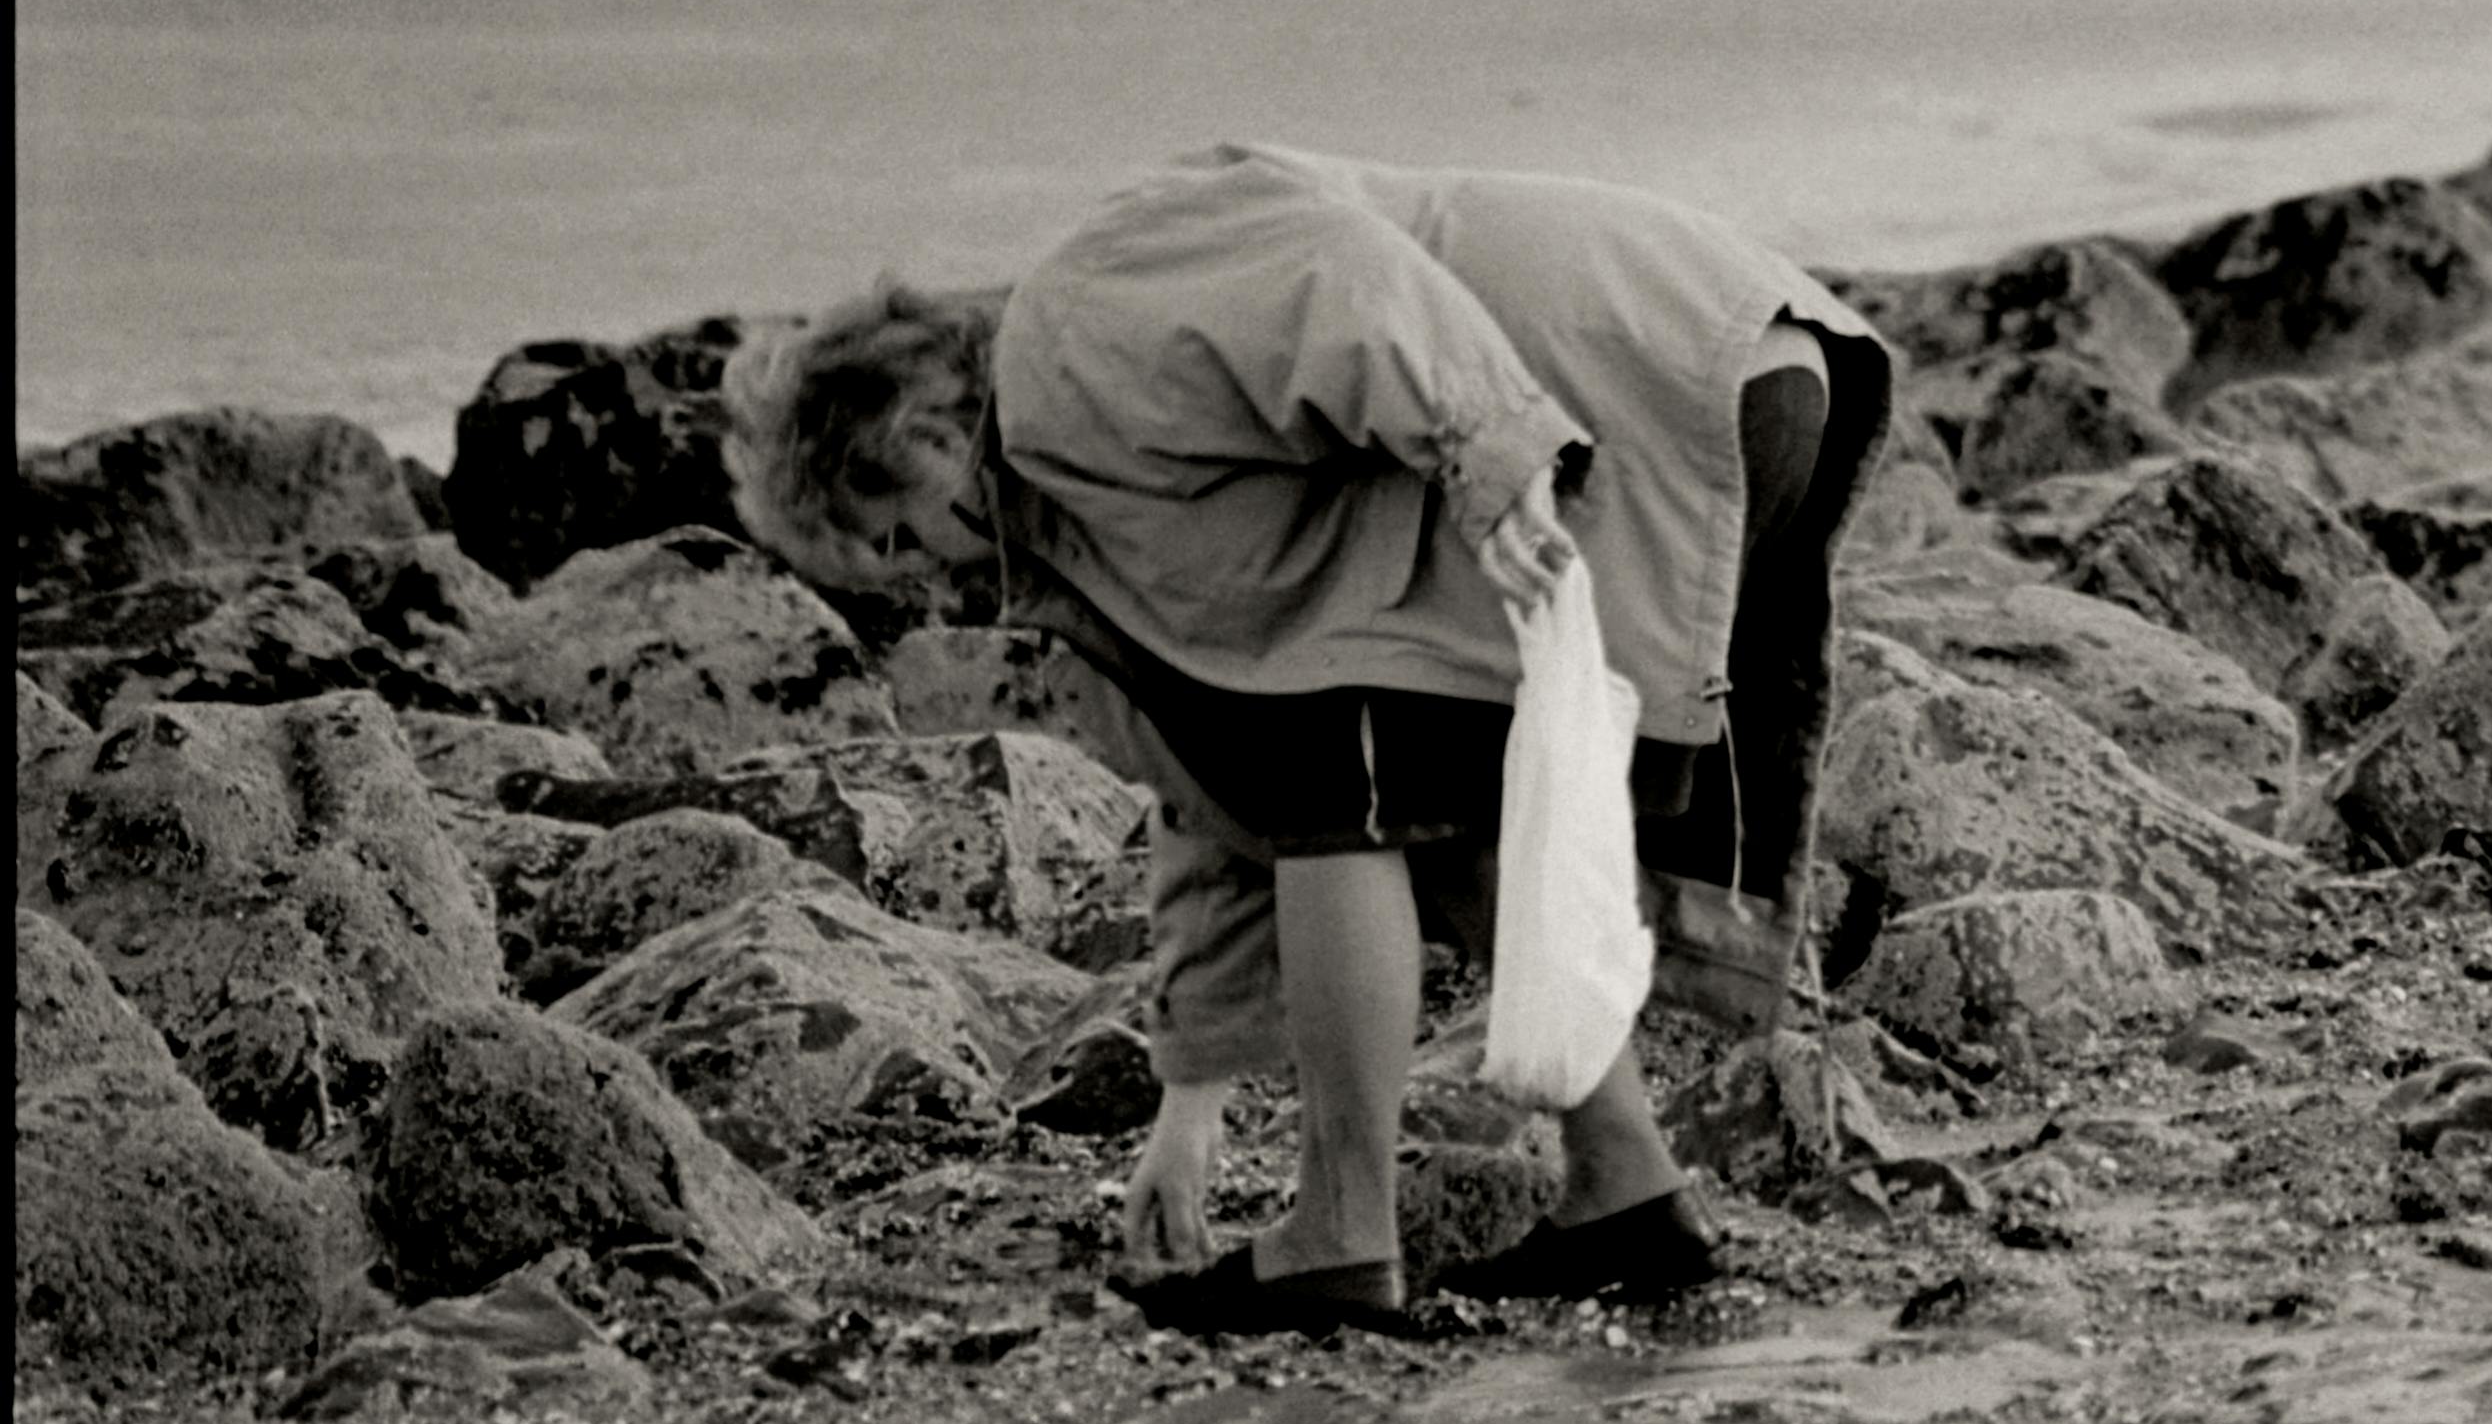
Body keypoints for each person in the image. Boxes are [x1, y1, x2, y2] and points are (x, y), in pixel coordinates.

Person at [723, 146, 1890, 1331]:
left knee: (1351, 783)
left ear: (917, 430)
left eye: (890, 544)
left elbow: (1336, 275)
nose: (917, 593)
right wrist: (1189, 1108)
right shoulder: (1091, 501)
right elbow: (1218, 790)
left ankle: (1342, 1227)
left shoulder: (1075, 326)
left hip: (1645, 379)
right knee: (1419, 782)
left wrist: (1491, 446)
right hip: (1731, 375)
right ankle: (1626, 1189)